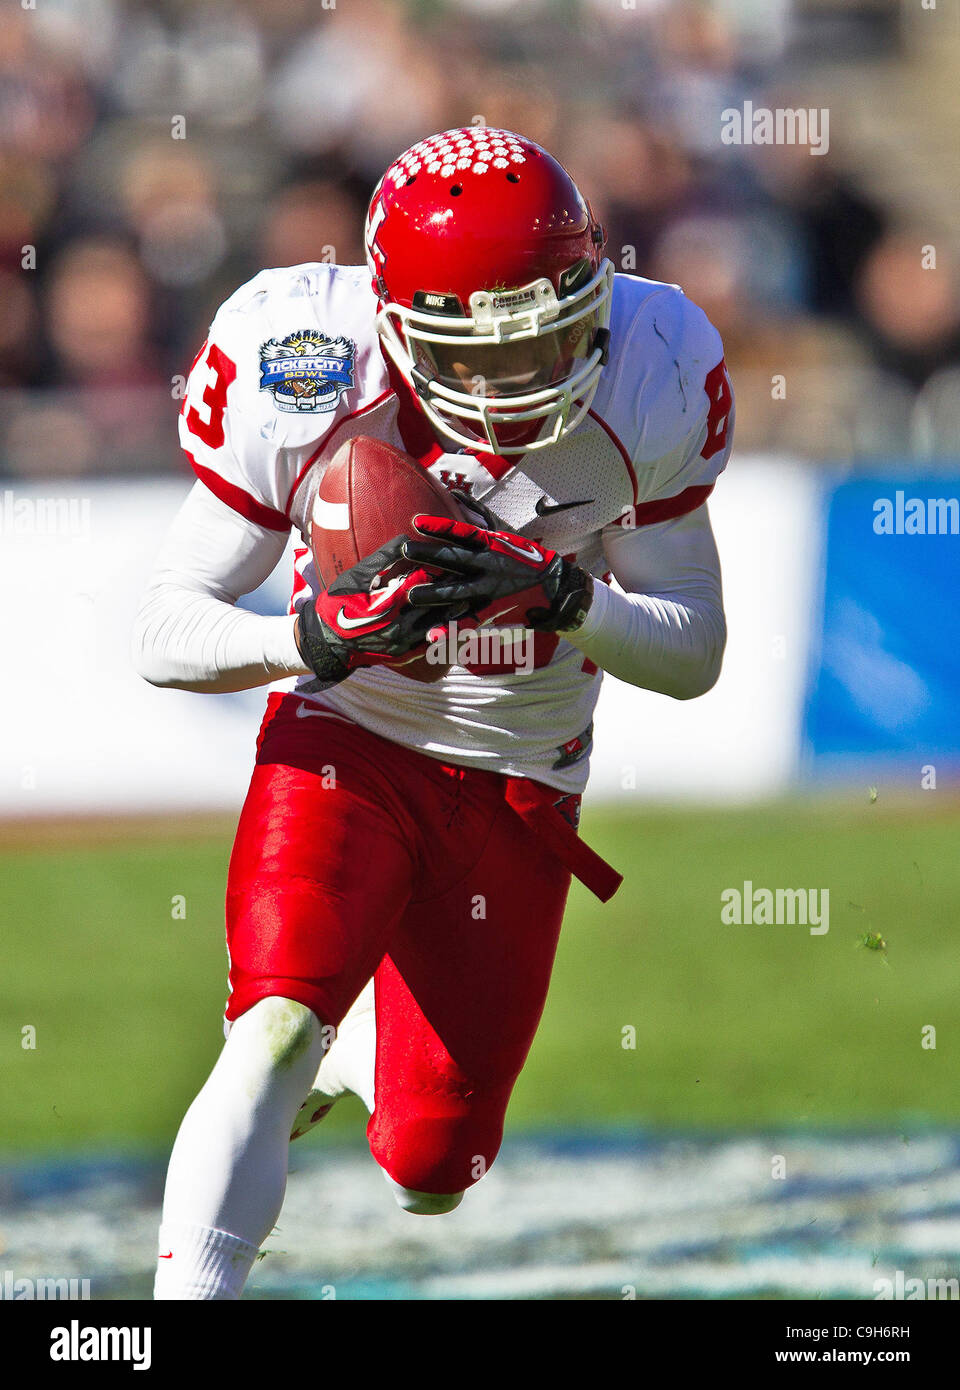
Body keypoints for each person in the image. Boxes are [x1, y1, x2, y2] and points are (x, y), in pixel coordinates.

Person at [133, 127, 733, 1301]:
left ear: (596, 298)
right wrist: (301, 639)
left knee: (431, 1165)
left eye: (551, 337)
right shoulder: (299, 357)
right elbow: (165, 629)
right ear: (396, 325)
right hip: (343, 740)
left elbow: (696, 648)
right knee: (265, 1035)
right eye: (478, 353)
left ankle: (353, 1053)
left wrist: (568, 596)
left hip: (520, 781)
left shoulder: (653, 358)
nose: (521, 379)